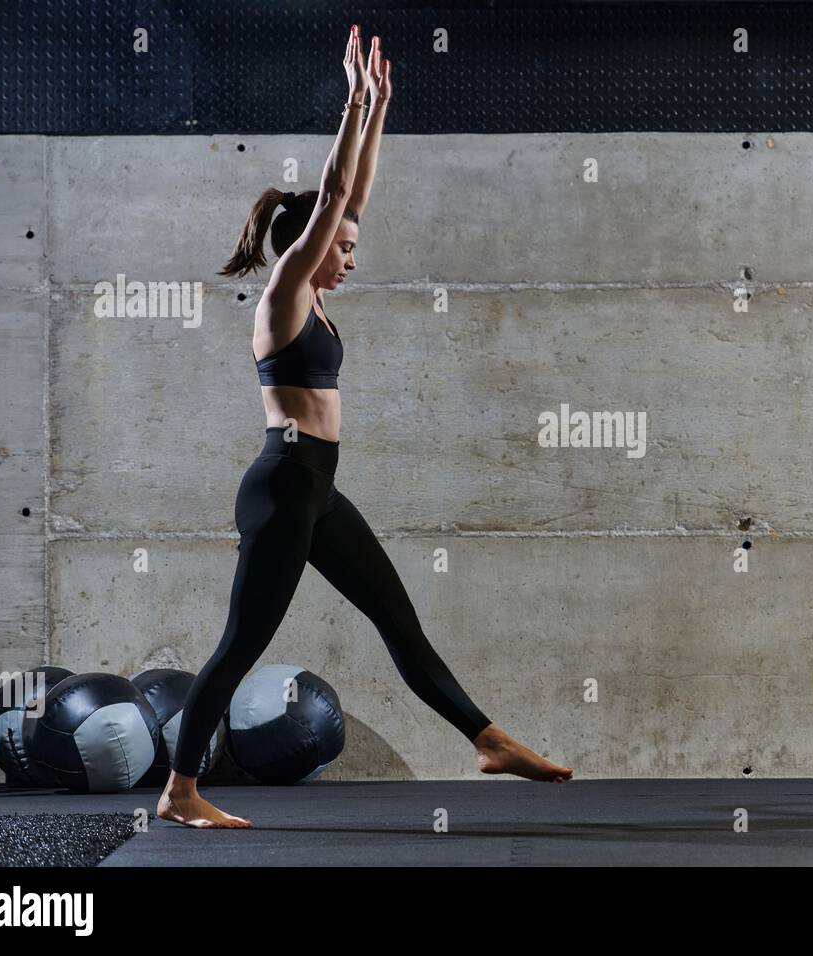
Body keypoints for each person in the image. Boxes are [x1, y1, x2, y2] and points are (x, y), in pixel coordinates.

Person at [157, 25, 572, 829]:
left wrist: (380, 108)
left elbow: (356, 195)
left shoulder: (318, 299)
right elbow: (338, 195)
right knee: (239, 646)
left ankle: (487, 739)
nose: (350, 256)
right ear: (305, 249)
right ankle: (178, 793)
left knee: (397, 618)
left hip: (318, 491)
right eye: (340, 248)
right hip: (280, 489)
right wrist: (351, 103)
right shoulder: (283, 297)